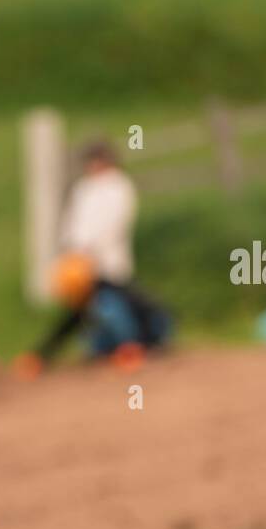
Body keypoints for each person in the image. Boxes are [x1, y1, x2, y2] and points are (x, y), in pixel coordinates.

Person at [13, 140, 171, 377]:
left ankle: (128, 347)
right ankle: (47, 355)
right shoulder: (84, 189)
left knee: (110, 307)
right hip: (80, 263)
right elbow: (72, 224)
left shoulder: (119, 187)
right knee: (84, 311)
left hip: (108, 263)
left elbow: (112, 224)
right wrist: (72, 251)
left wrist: (89, 251)